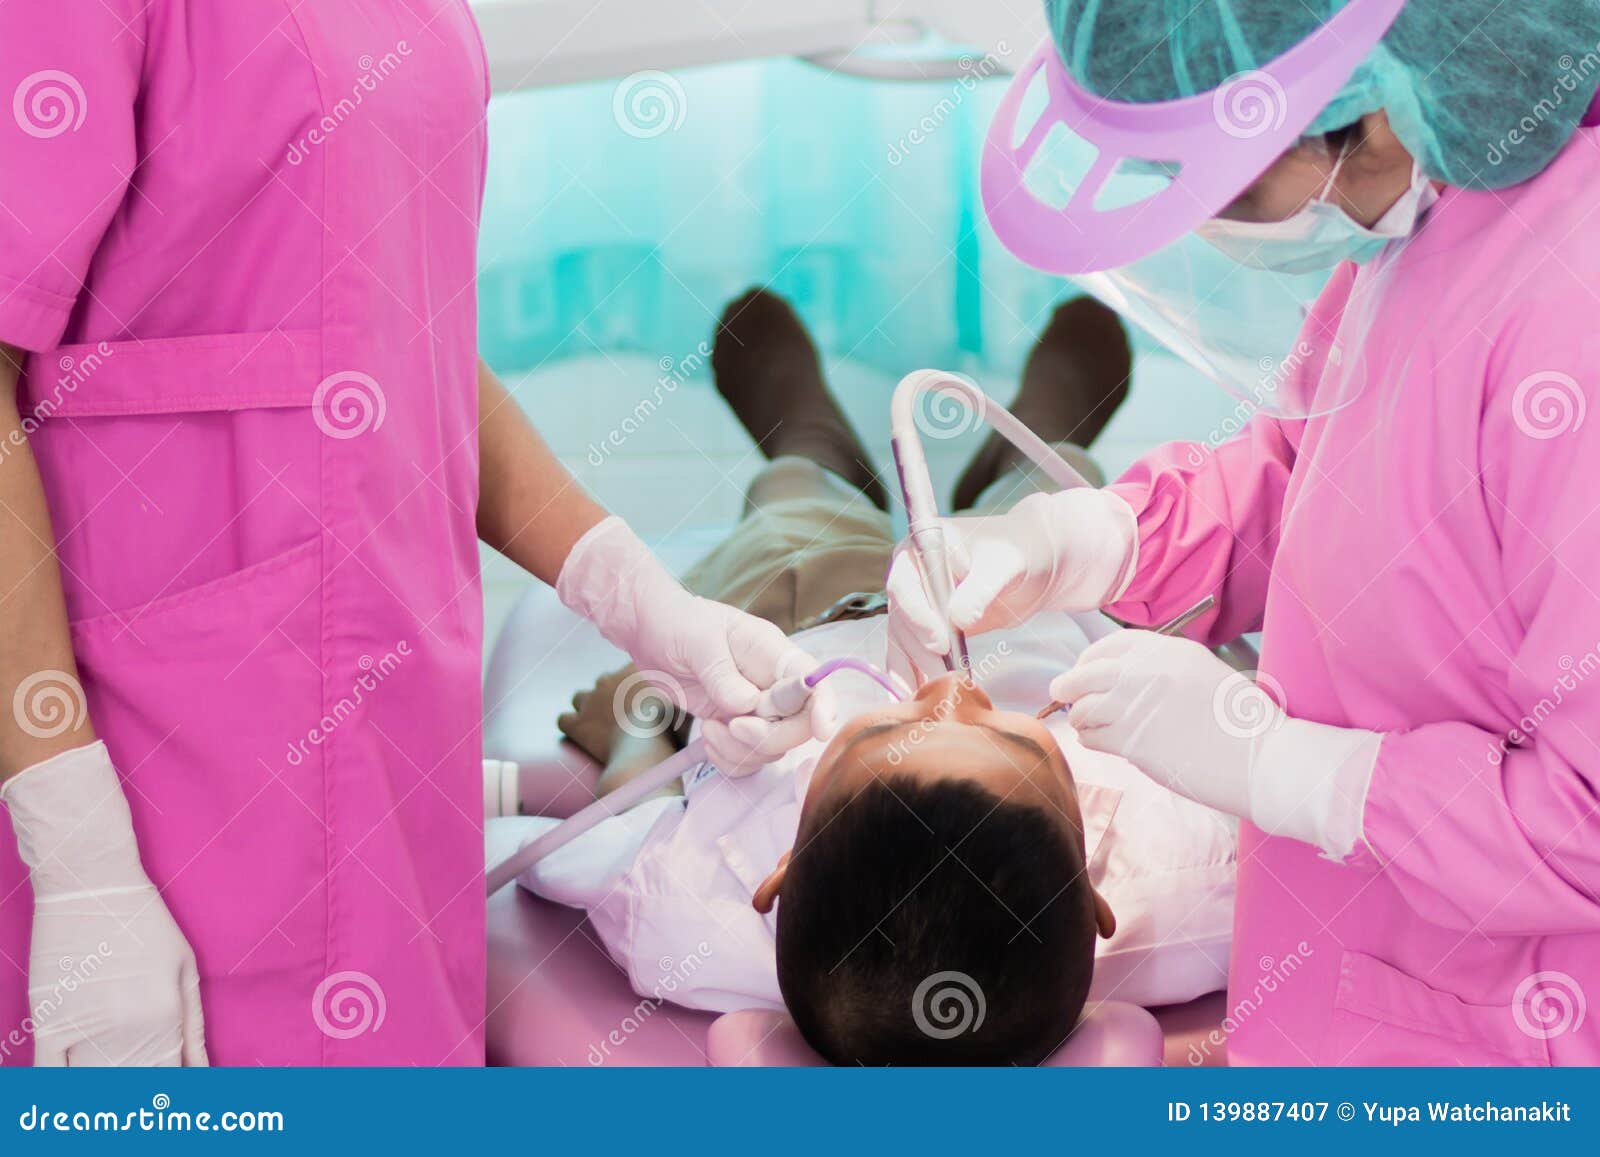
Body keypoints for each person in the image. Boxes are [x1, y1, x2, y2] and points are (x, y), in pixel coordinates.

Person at [0, 2, 825, 1067]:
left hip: (394, 754)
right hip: (161, 782)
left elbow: (397, 329)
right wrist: (77, 849)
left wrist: (636, 597)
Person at [892, 0, 1600, 1065]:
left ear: (1360, 109)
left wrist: (1291, 771)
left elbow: (1583, 823)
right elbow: (1310, 478)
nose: (1204, 214)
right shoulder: (1421, 207)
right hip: (1346, 1004)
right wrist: (1086, 539)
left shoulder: (1571, 313)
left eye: (1223, 177)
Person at [509, 292, 1236, 1065]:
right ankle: (1036, 442)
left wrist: (649, 711)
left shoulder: (680, 915)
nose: (949, 690)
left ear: (778, 877)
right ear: (1098, 903)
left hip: (796, 617)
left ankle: (809, 434)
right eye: (1006, 729)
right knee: (1069, 493)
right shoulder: (1186, 884)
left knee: (795, 495)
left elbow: (561, 844)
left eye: (888, 730)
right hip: (1040, 611)